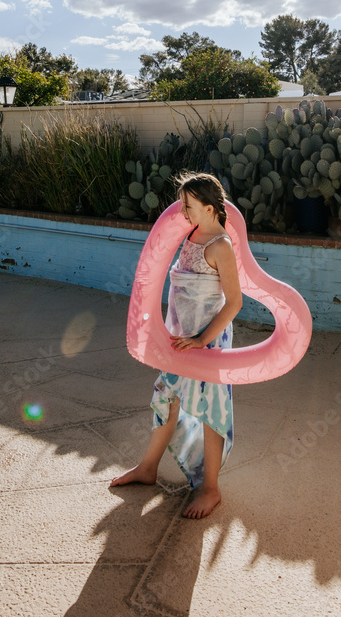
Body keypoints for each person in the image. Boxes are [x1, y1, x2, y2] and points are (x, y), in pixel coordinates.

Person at [110, 171, 243, 519]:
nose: (182, 212)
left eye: (189, 205)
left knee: (211, 409)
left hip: (207, 343)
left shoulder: (221, 246)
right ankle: (147, 467)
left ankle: (211, 488)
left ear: (212, 208)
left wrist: (202, 340)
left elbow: (234, 303)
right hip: (179, 339)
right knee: (166, 398)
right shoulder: (190, 233)